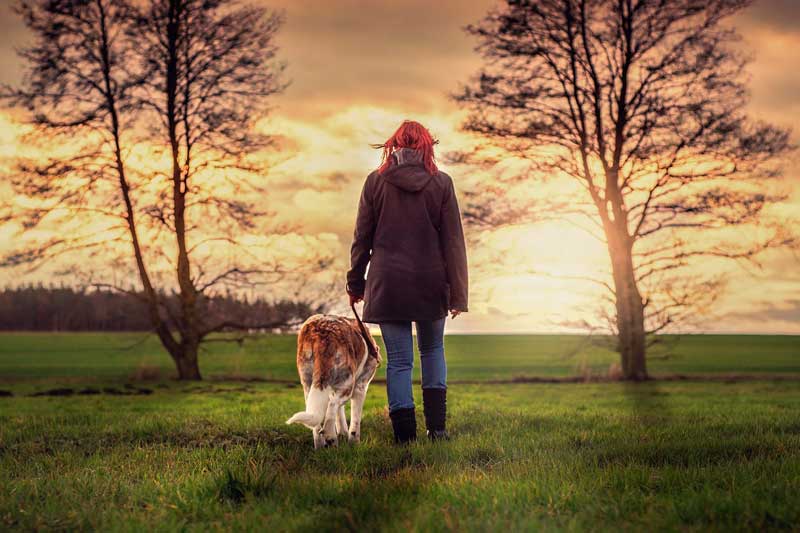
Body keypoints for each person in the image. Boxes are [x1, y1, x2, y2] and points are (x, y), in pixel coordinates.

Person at [346, 120, 469, 443]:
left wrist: (355, 283)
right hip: (431, 282)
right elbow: (453, 242)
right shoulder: (441, 183)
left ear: (393, 146)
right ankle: (437, 431)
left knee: (399, 361)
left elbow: (362, 238)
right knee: (432, 350)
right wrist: (458, 295)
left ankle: (404, 439)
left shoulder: (375, 182)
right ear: (428, 146)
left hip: (388, 283)